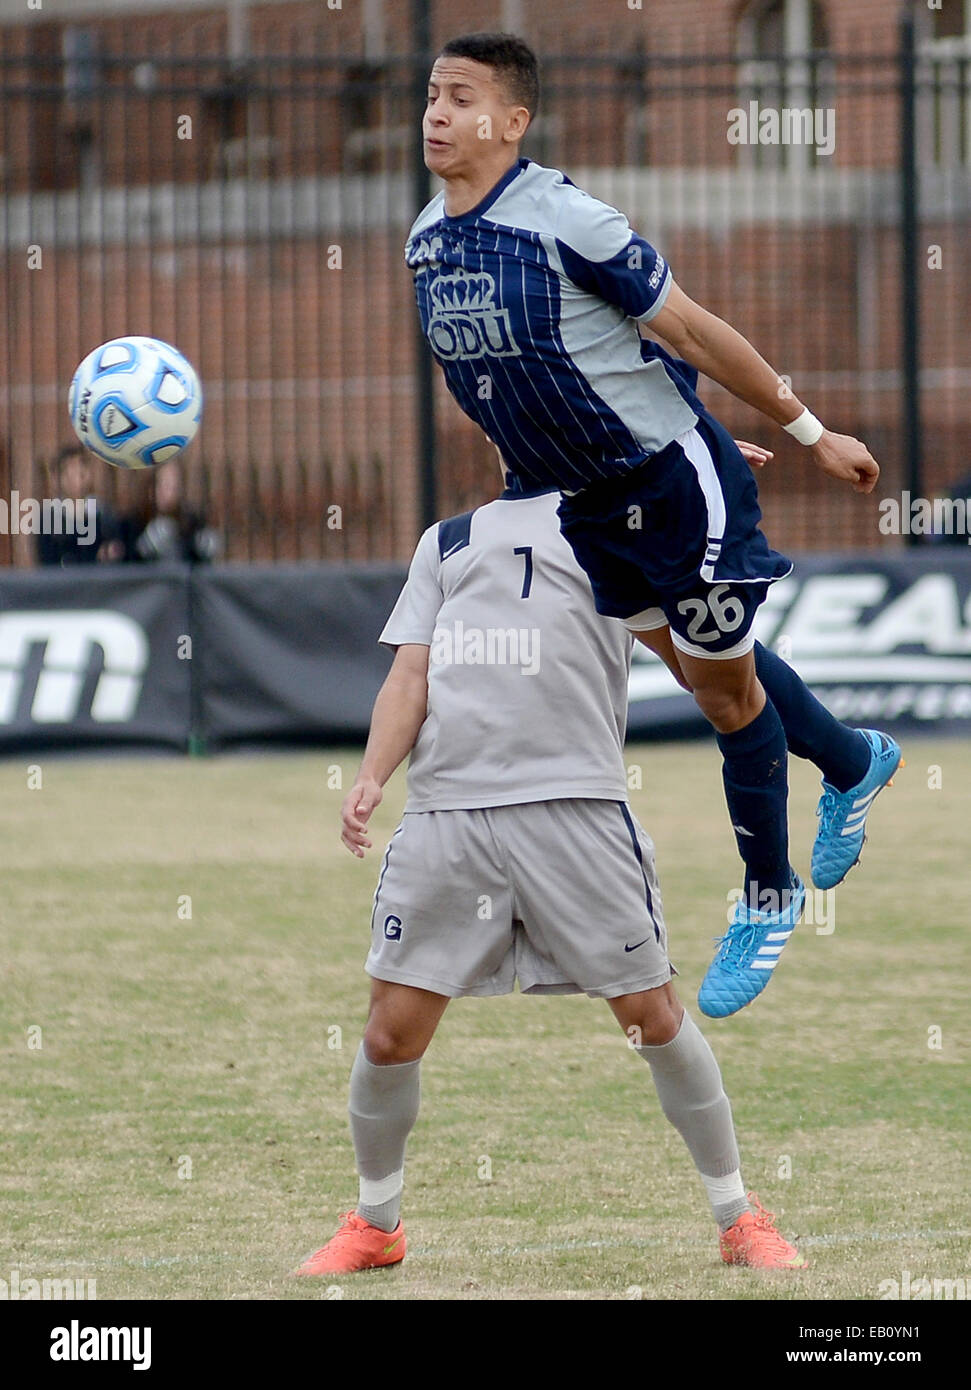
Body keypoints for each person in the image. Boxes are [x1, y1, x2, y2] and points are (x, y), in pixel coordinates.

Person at [405, 31, 902, 1019]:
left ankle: (767, 895)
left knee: (723, 695)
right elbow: (517, 378)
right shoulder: (427, 240)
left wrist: (806, 431)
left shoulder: (564, 217)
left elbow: (686, 329)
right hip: (590, 507)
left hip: (676, 486)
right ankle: (850, 760)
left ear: (513, 121)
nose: (435, 114)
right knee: (704, 670)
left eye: (460, 98)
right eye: (430, 96)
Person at [292, 455, 806, 1279]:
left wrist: (691, 470)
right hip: (446, 817)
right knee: (390, 1033)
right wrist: (370, 778)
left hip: (579, 809)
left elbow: (702, 659)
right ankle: (376, 1222)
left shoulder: (618, 531)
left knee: (653, 1017)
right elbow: (409, 674)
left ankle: (738, 1215)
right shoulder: (448, 542)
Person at [35, 442, 123, 566]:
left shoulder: (103, 512)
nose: (75, 477)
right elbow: (47, 560)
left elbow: (115, 549)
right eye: (68, 471)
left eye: (80, 470)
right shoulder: (48, 516)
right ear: (56, 478)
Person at [119, 460, 219, 563]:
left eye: (171, 486)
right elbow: (125, 560)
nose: (165, 492)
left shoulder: (190, 523)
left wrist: (204, 546)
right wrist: (143, 549)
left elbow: (198, 562)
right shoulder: (133, 523)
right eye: (160, 484)